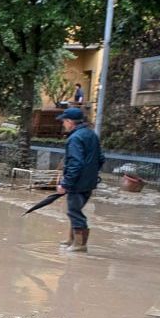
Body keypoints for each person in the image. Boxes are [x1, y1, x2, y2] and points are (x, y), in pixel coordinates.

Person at [56, 107, 103, 252]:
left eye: (64, 121)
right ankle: (72, 239)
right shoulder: (91, 135)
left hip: (77, 182)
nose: (63, 124)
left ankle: (80, 244)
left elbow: (75, 163)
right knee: (74, 210)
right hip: (89, 182)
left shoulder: (75, 138)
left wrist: (65, 183)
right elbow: (101, 158)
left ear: (70, 122)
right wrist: (91, 174)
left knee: (74, 211)